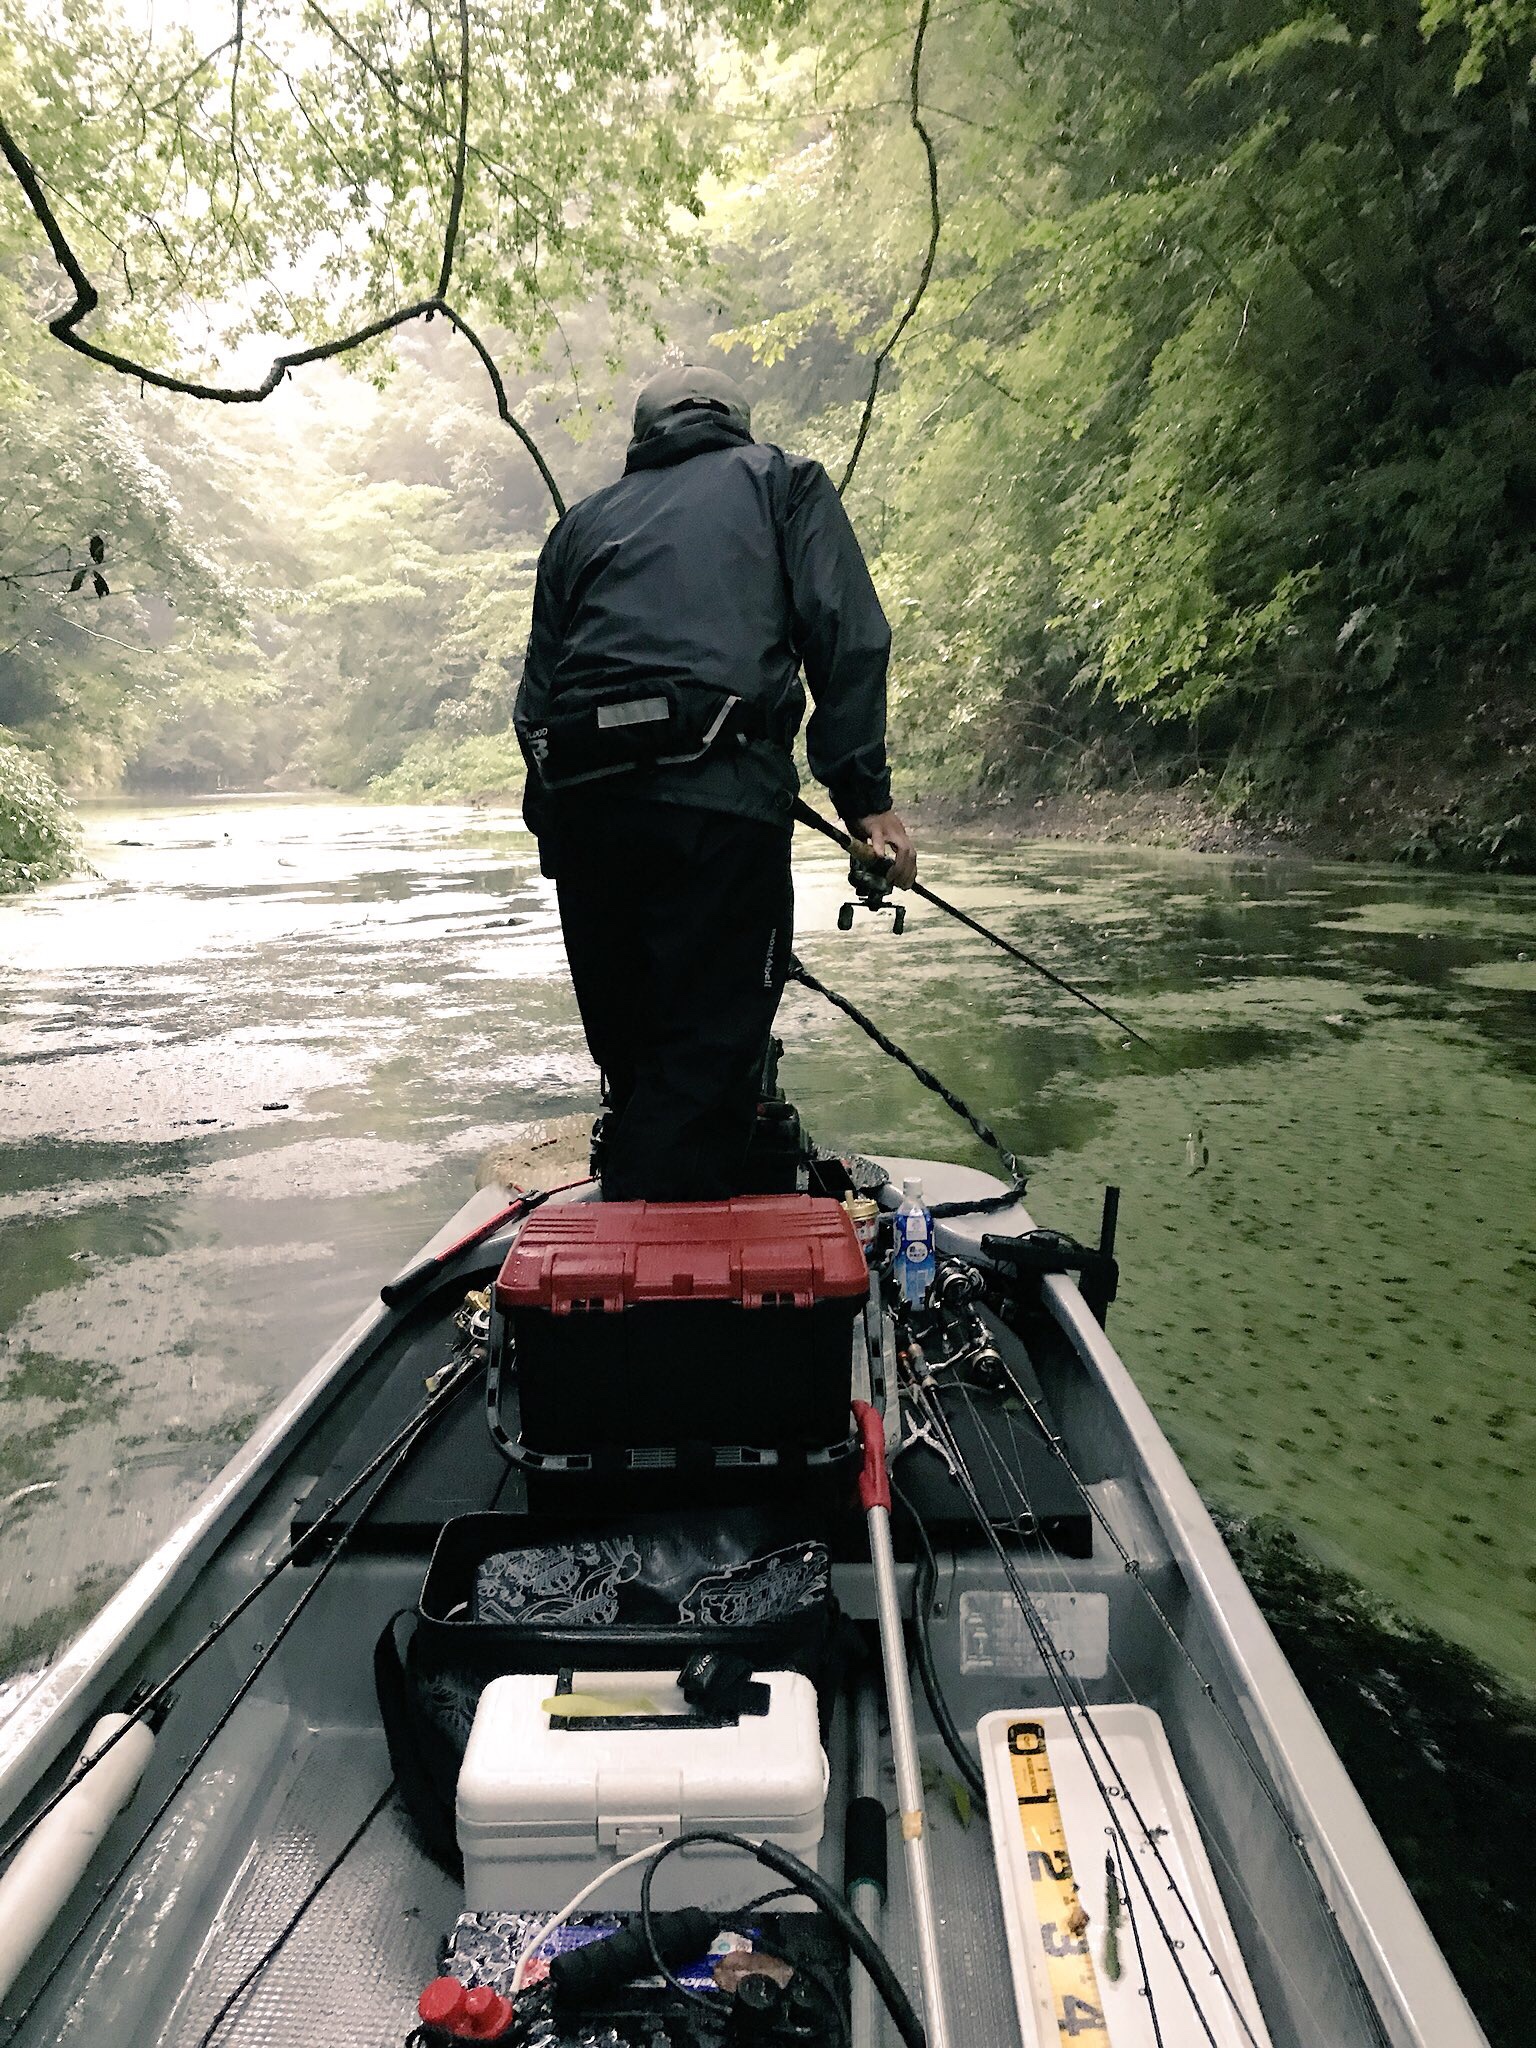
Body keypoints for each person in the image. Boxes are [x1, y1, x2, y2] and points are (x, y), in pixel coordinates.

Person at [515, 363, 916, 1200]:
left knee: (638, 1072)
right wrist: (865, 801)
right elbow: (844, 636)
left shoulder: (580, 528)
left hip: (591, 825)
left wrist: (563, 836)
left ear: (641, 437)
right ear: (736, 421)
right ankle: (668, 1295)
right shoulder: (784, 482)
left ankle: (636, 1247)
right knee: (701, 1073)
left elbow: (536, 709)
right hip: (722, 821)